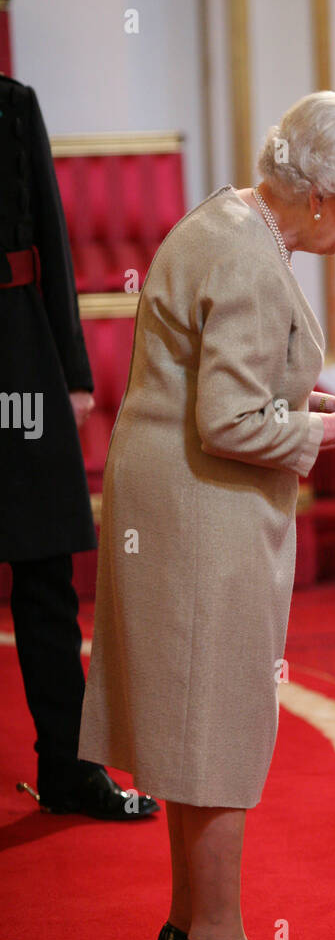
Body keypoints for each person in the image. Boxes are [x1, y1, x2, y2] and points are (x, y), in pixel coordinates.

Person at [79, 91, 335, 940]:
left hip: (178, 496)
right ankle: (218, 936)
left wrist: (322, 404)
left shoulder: (230, 218)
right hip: (202, 508)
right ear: (317, 192)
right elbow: (228, 420)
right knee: (219, 723)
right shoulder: (252, 257)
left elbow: (239, 379)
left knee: (193, 725)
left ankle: (190, 929)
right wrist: (333, 436)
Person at [0, 72, 158, 821]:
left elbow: (50, 241)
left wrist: (69, 366)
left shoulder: (11, 101)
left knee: (44, 572)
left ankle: (67, 768)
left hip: (16, 352)